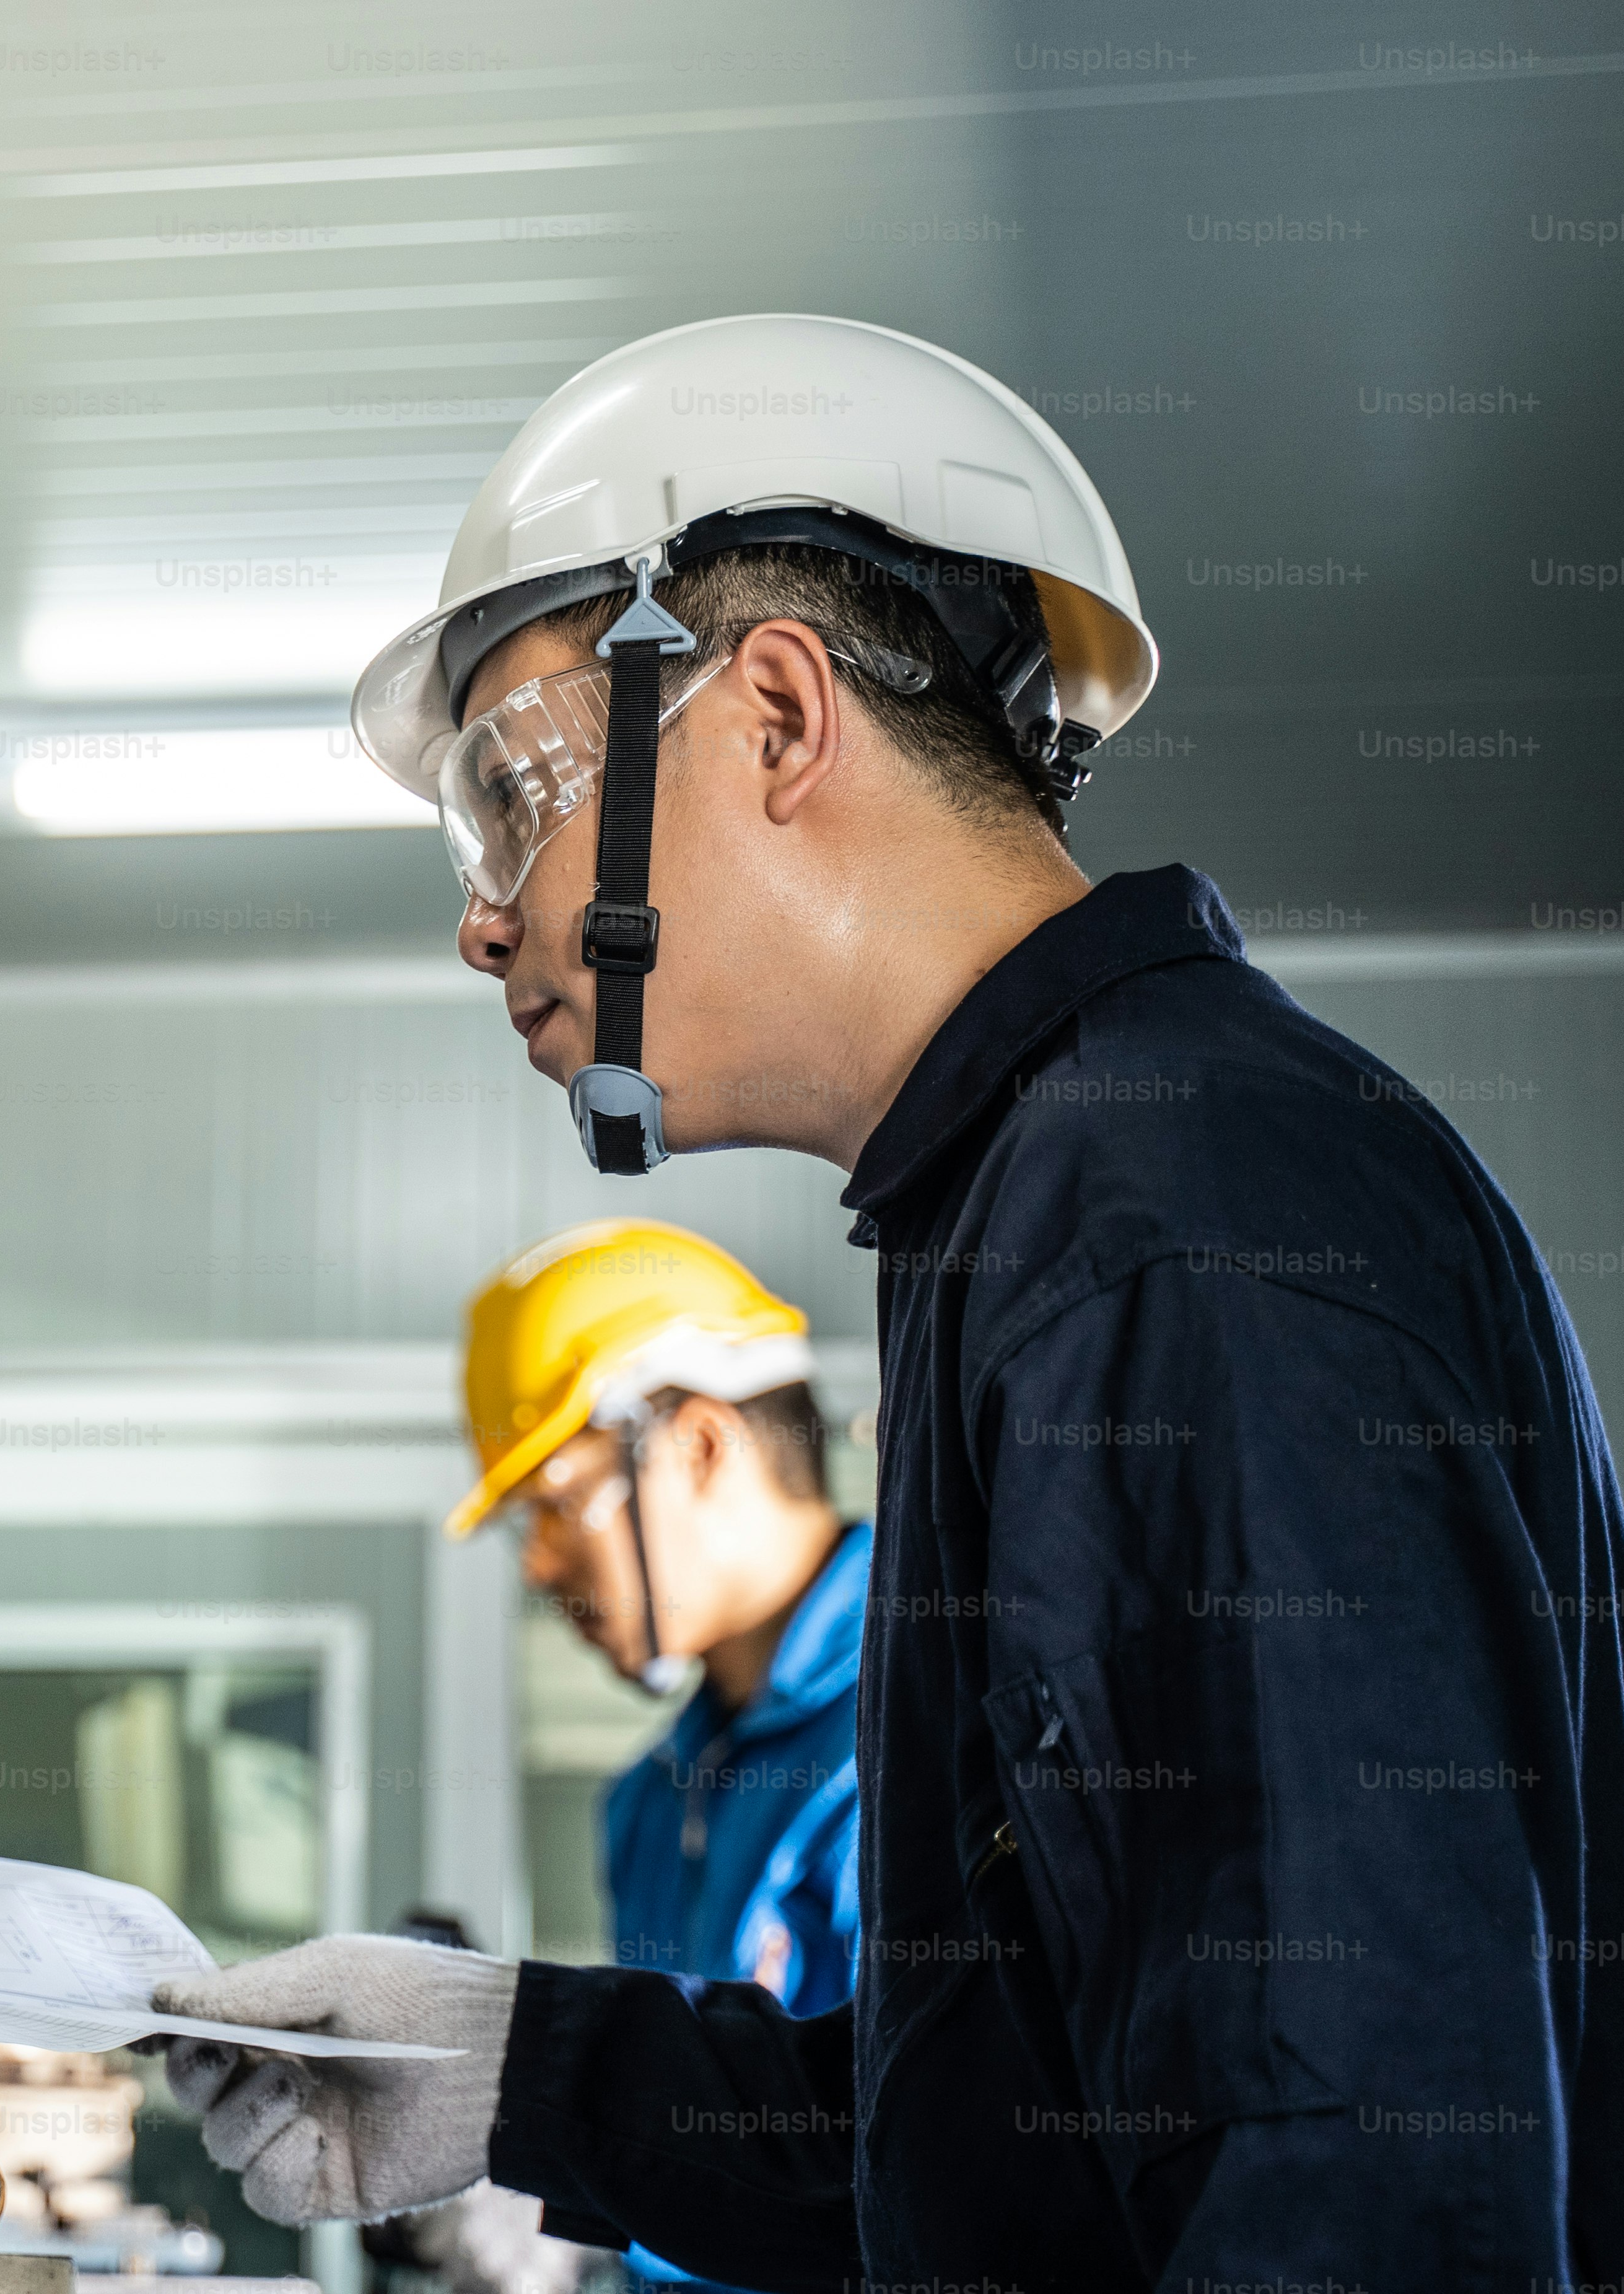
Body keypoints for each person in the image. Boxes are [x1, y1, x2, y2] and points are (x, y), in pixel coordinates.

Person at [152, 315, 1620, 2283]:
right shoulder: (1029, 1207)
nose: (483, 910)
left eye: (511, 787)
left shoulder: (1172, 1218)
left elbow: (1350, 2168)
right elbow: (1012, 2139)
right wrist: (519, 2071)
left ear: (771, 715)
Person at [455, 1220, 865, 2294]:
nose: (540, 1566)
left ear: (698, 1446)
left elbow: (926, 2158)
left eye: (552, 1505)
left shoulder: (927, 1731)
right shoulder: (645, 1802)